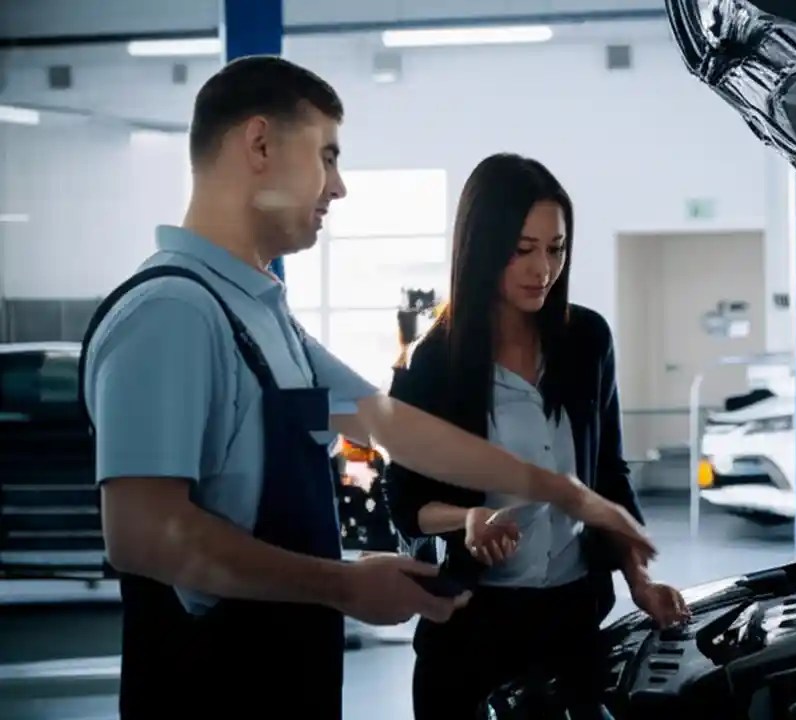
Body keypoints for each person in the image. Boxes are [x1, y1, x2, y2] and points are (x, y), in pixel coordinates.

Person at [80, 57, 654, 720]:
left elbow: (392, 425)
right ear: (260, 144)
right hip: (209, 689)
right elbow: (143, 535)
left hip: (287, 676)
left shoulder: (263, 315)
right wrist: (346, 586)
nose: (339, 186)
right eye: (327, 156)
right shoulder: (172, 313)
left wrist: (570, 494)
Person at [383, 153, 690, 720]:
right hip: (471, 632)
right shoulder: (434, 363)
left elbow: (608, 475)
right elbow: (402, 501)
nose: (541, 269)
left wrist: (639, 581)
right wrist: (465, 519)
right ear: (481, 247)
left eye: (556, 248)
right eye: (523, 250)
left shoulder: (587, 341)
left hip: (573, 625)